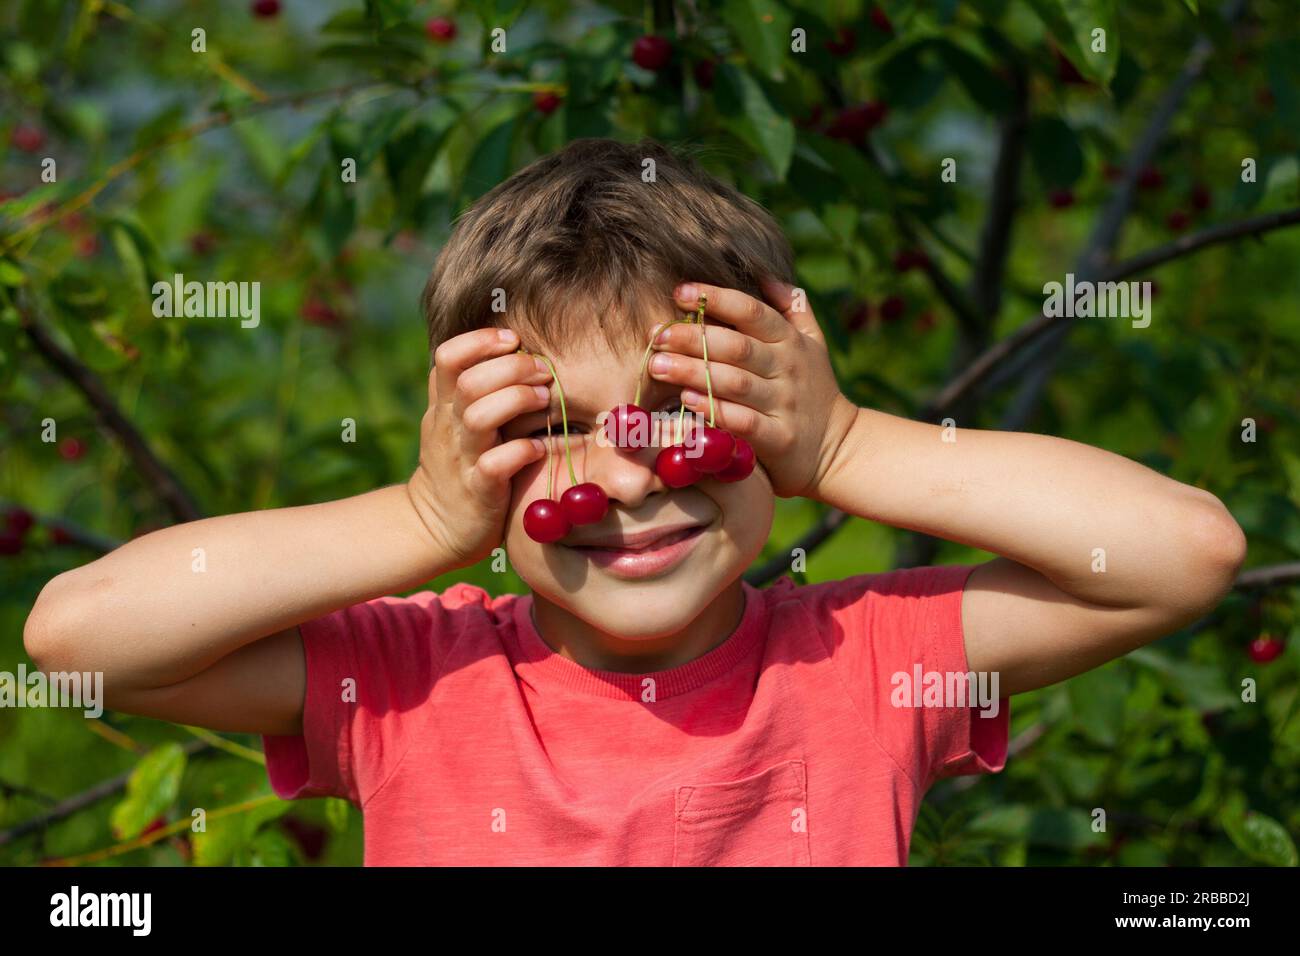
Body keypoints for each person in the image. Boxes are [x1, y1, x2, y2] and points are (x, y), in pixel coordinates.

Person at [24, 138, 1246, 865]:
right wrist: (414, 522)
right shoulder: (411, 680)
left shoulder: (866, 663)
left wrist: (847, 440)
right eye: (545, 429)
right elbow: (79, 640)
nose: (622, 475)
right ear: (472, 458)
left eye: (676, 414)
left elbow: (1181, 552)